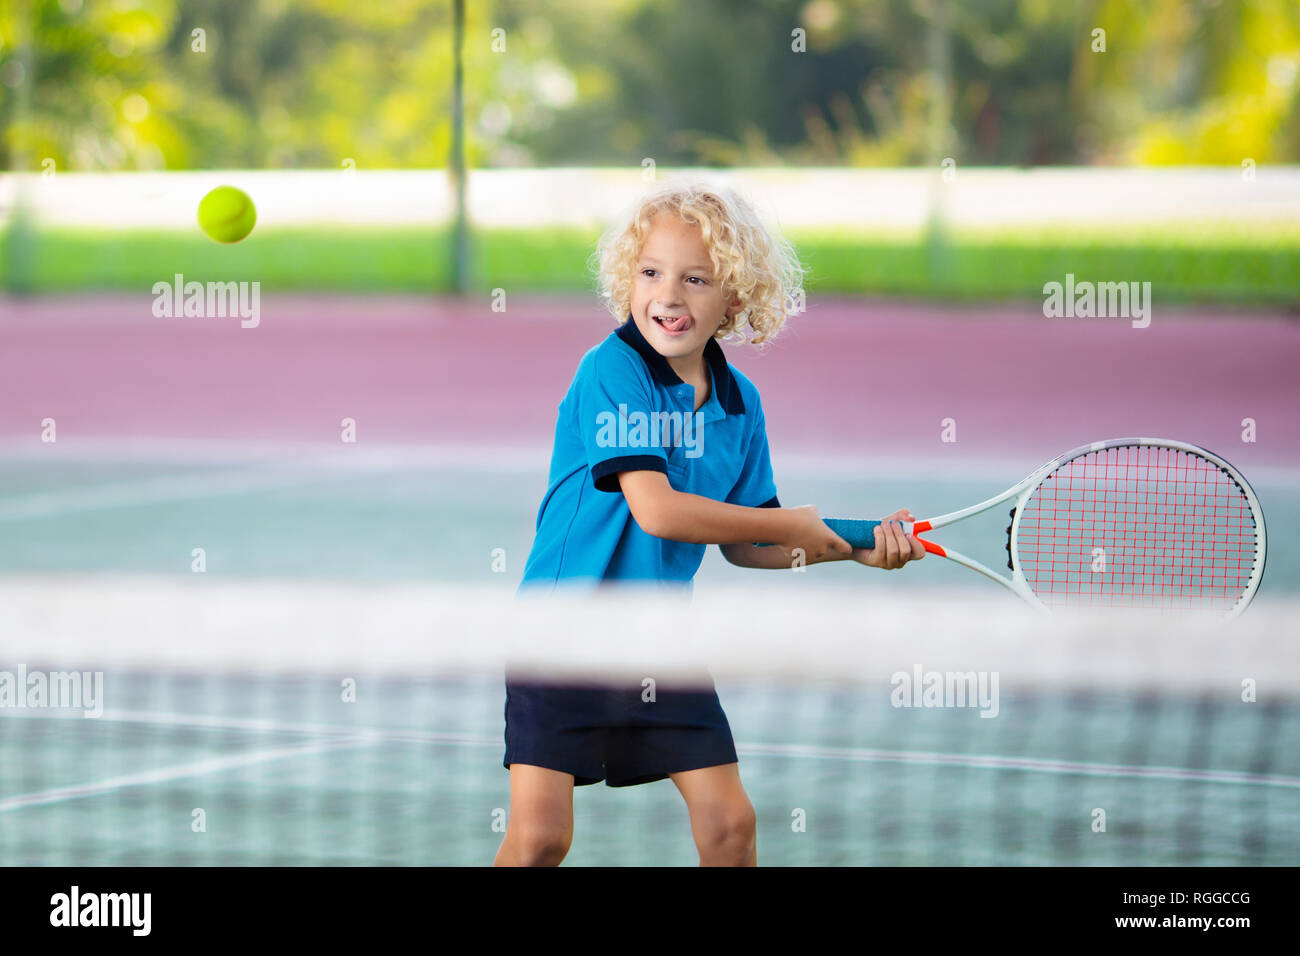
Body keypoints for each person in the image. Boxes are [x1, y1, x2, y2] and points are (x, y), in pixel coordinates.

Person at [495, 180, 924, 866]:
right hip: (562, 632)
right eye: (650, 273)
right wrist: (796, 525)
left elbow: (751, 542)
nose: (668, 295)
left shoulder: (739, 402)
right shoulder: (612, 370)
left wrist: (855, 544)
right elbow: (658, 511)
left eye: (696, 279)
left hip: (661, 643)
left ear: (735, 296)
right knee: (541, 839)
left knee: (730, 825)